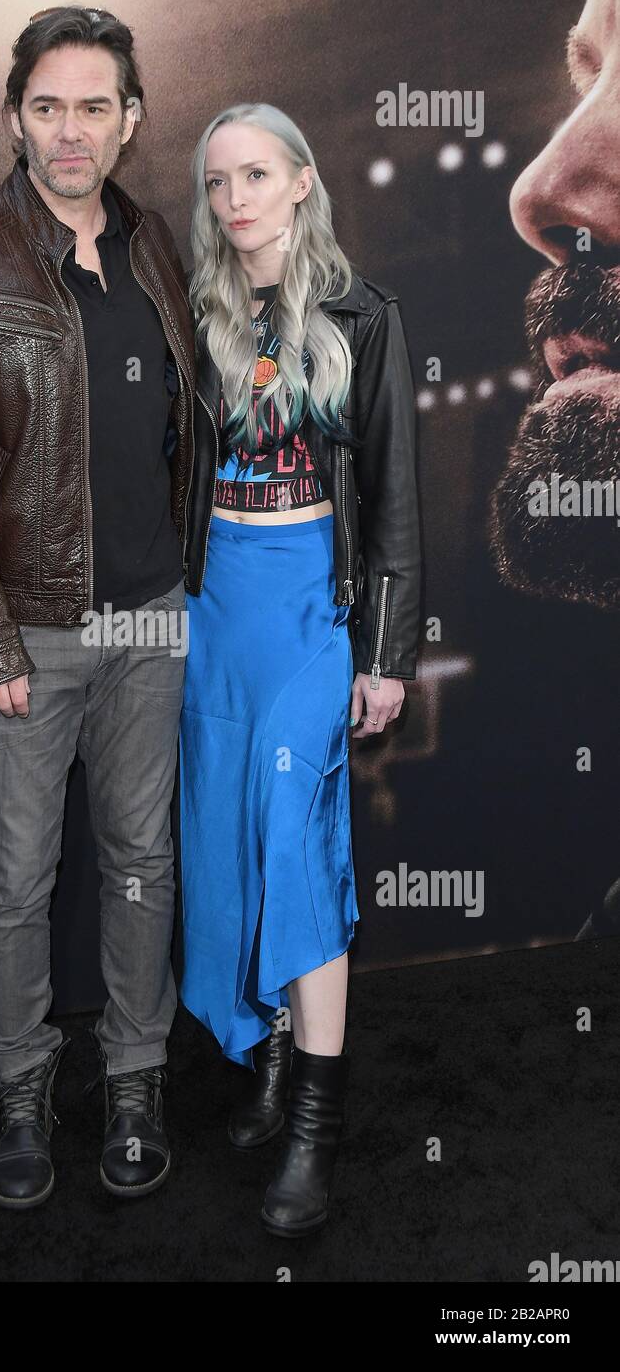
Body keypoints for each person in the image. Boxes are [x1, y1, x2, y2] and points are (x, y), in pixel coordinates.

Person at [0, 6, 196, 1209]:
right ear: (13, 115)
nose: (69, 132)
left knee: (141, 863)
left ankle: (133, 1077)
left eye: (93, 106)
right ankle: (19, 1086)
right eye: (46, 106)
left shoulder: (158, 243)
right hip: (32, 629)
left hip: (153, 621)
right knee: (16, 880)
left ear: (130, 121)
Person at [178, 103, 422, 1236]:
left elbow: (395, 509)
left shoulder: (364, 317)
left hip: (312, 614)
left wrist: (386, 655)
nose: (236, 200)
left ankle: (315, 1122)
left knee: (293, 830)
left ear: (303, 181)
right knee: (227, 844)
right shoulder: (194, 315)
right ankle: (269, 1065)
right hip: (211, 611)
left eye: (257, 175)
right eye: (218, 180)